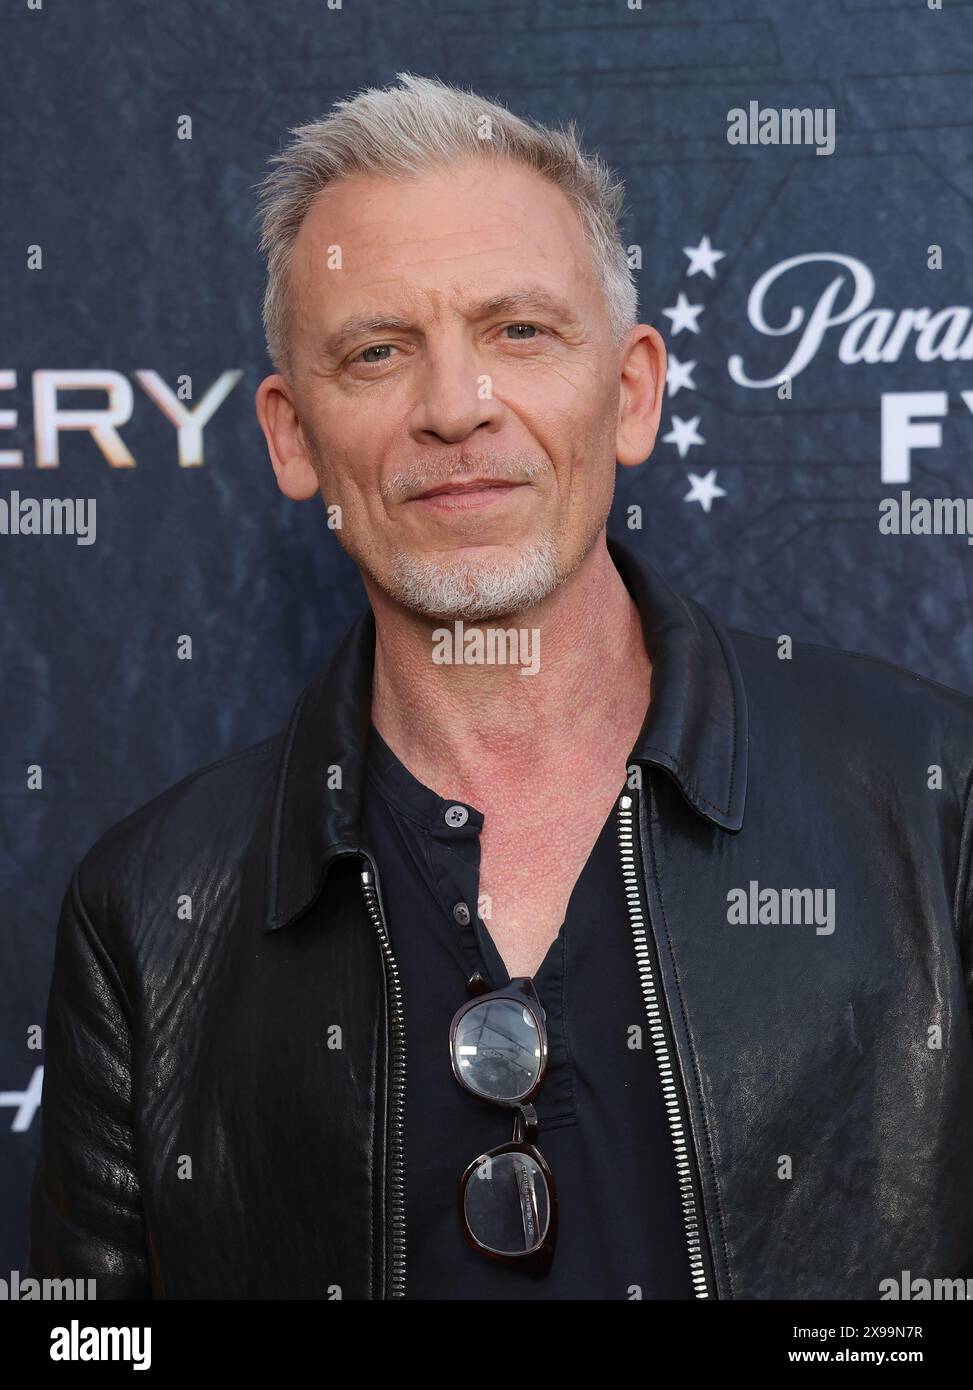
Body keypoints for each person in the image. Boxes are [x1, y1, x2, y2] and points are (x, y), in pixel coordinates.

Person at [27, 73, 973, 1301]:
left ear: (630, 392)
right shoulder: (153, 912)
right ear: (292, 435)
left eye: (518, 332)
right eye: (376, 352)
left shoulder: (932, 801)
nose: (454, 409)